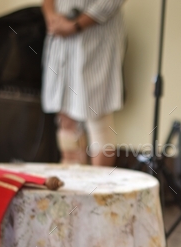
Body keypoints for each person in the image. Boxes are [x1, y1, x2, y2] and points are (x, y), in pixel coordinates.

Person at [41, 0, 125, 166]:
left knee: (97, 115)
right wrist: (52, 18)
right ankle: (72, 182)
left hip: (95, 37)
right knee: (65, 116)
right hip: (60, 40)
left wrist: (76, 25)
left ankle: (99, 188)